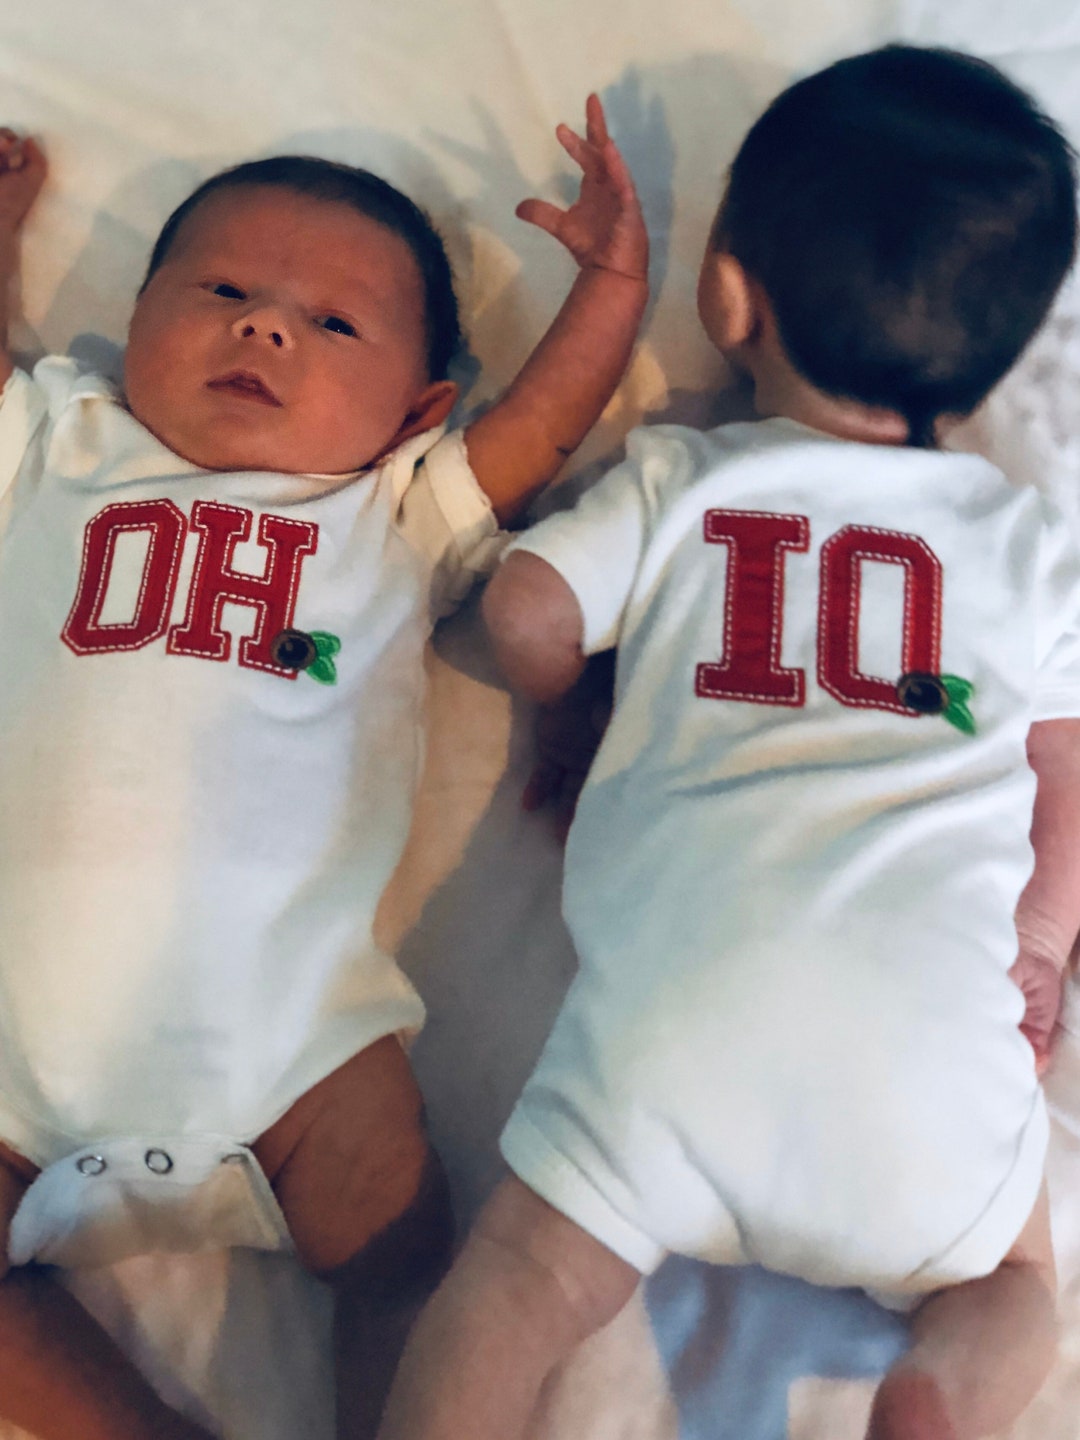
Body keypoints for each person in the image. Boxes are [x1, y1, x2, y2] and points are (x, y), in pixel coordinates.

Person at [375, 45, 1080, 1440]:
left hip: (674, 1050)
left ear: (729, 297)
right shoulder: (1023, 544)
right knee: (1009, 1288)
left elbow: (524, 611)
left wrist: (569, 692)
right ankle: (935, 1397)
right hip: (926, 1060)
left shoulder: (681, 479)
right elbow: (1062, 770)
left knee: (518, 1283)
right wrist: (1045, 942)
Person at [0, 95, 647, 1440]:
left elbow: (540, 426)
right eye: (222, 291)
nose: (266, 328)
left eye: (333, 323)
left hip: (292, 1047)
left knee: (406, 1246)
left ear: (418, 409)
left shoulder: (396, 510)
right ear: (136, 318)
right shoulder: (61, 442)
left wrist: (612, 290)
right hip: (14, 1045)